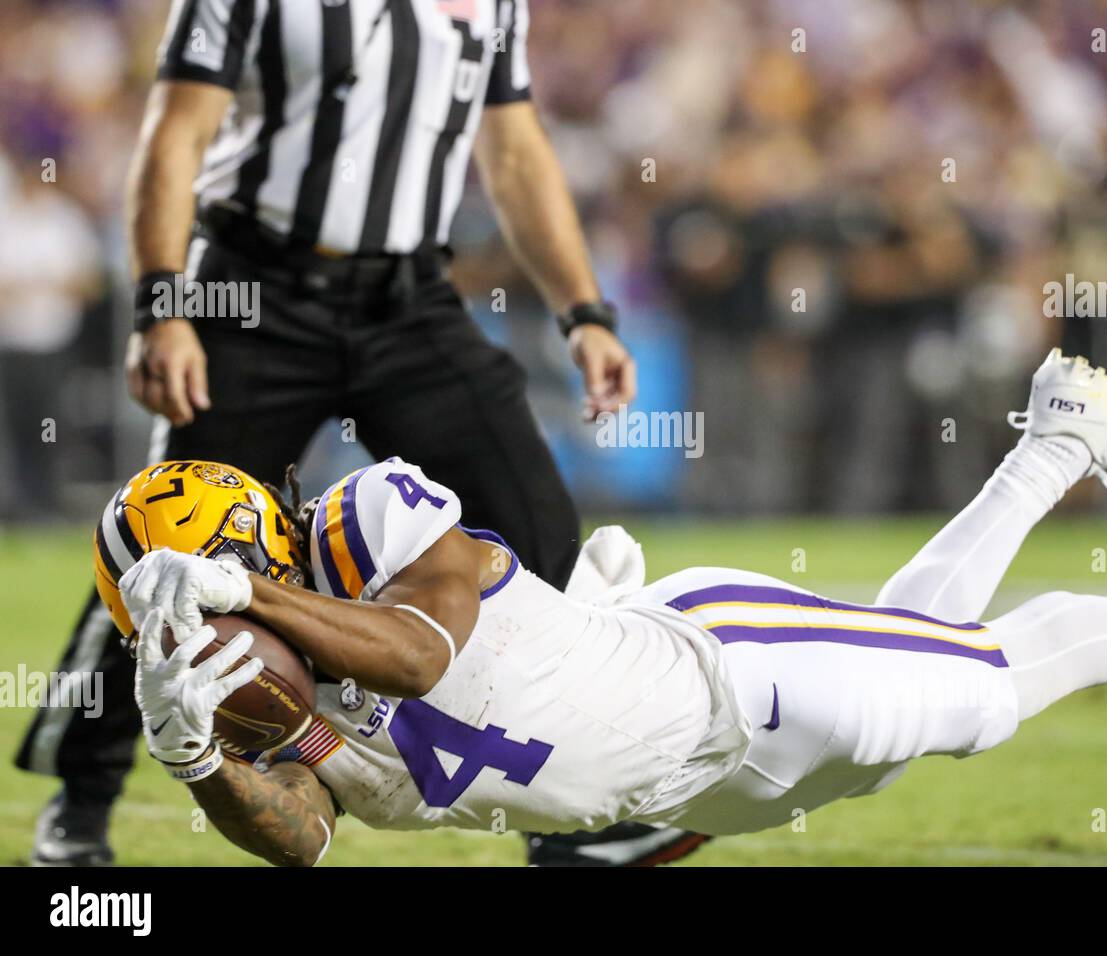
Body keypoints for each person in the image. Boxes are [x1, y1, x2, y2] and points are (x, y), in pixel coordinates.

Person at [95, 349, 1107, 864]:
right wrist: (191, 746)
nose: (189, 640)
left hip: (719, 670)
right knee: (903, 716)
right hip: (681, 783)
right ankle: (1052, 445)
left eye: (186, 607)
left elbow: (418, 654)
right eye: (163, 626)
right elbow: (301, 836)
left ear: (243, 548)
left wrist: (246, 593)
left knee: (977, 690)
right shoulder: (259, 695)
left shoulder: (366, 520)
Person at [15, 0, 708, 869]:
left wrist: (585, 310)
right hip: (255, 287)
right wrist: (163, 302)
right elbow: (176, 129)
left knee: (536, 532)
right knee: (159, 542)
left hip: (408, 298)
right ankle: (80, 799)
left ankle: (560, 806)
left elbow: (514, 148)